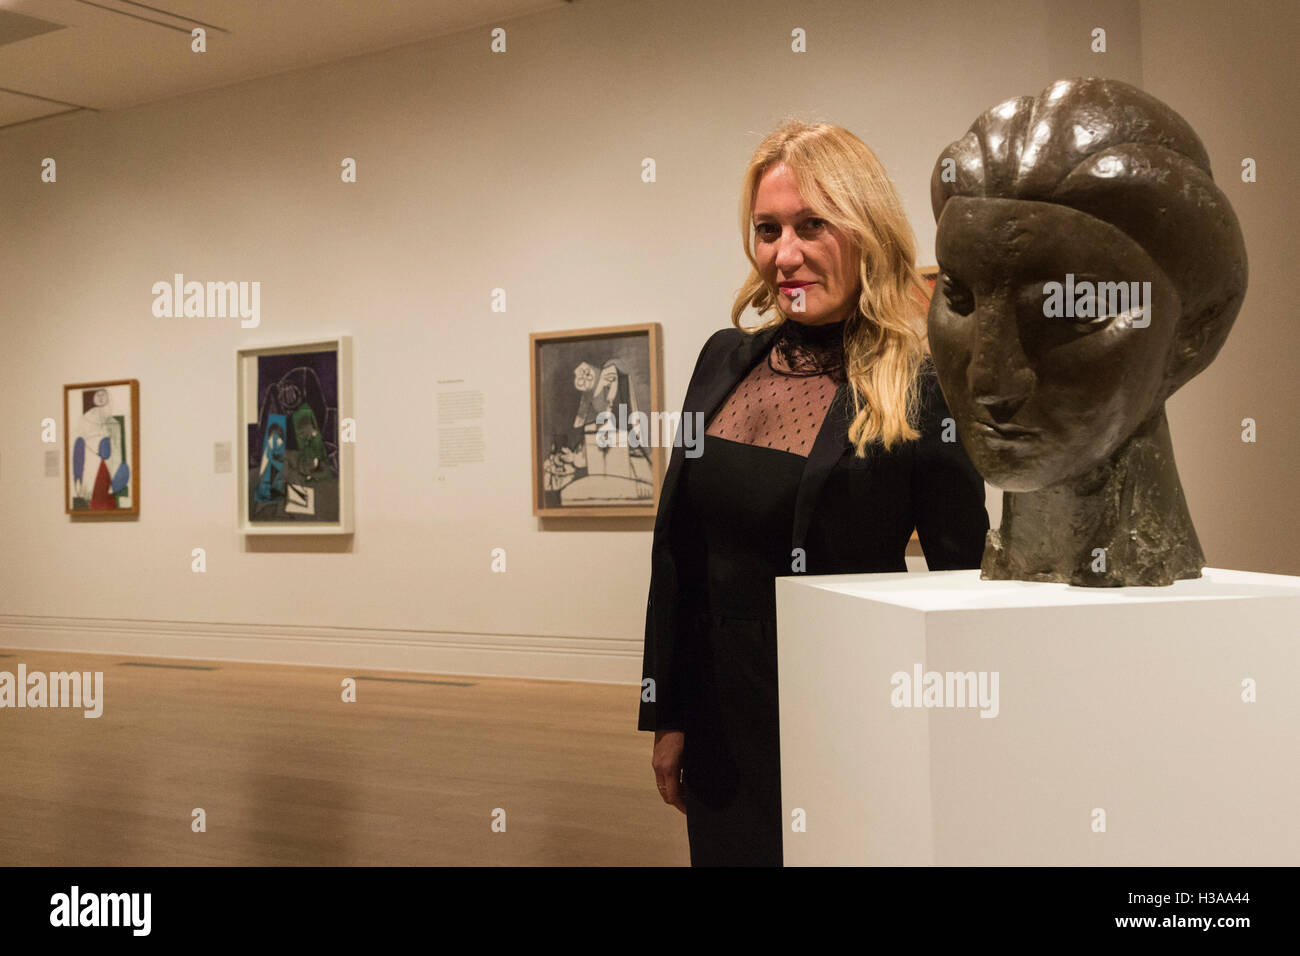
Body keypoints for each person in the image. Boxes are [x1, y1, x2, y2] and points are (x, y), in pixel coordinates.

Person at [638, 120, 990, 866]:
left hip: (850, 718)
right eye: (767, 229)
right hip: (723, 728)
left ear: (865, 229)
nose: (783, 254)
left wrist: (963, 739)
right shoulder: (721, 359)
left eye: (810, 226)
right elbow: (679, 551)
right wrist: (668, 711)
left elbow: (963, 576)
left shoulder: (921, 381)